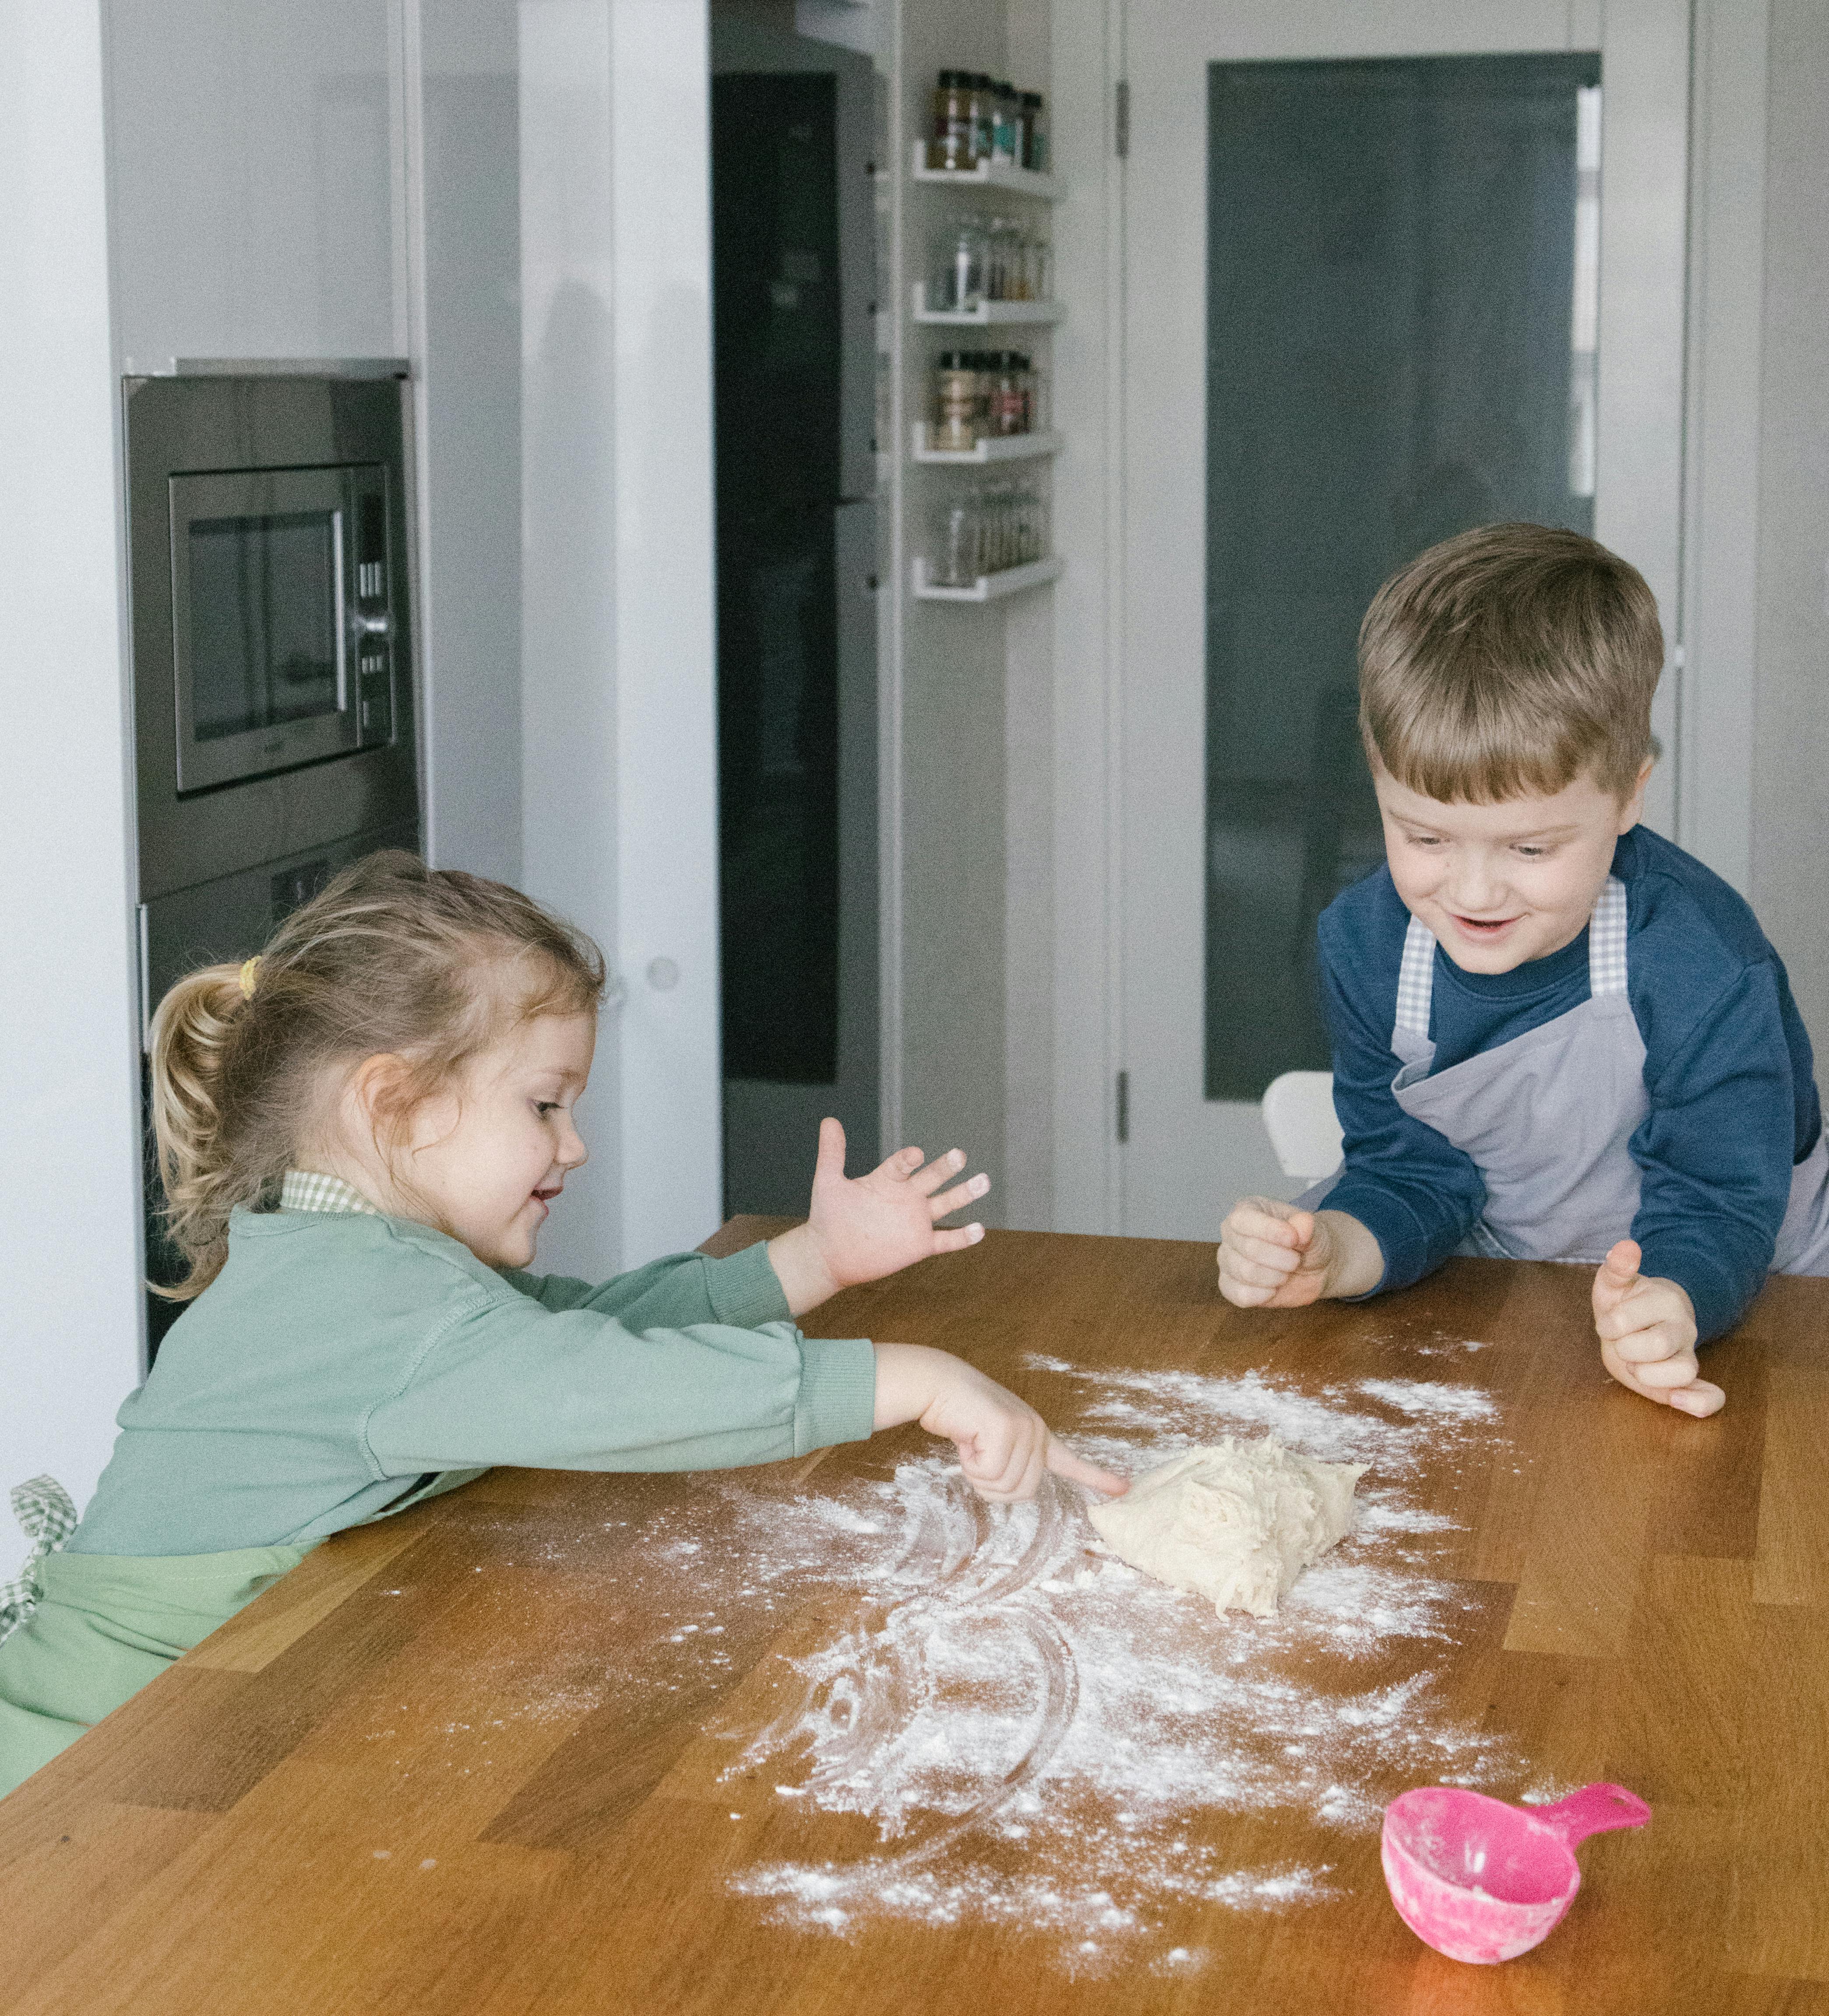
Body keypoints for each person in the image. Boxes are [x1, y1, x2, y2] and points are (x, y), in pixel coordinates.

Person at [0, 853, 1123, 1798]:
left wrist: (812, 1260)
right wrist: (910, 1379)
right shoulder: (373, 1304)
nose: (572, 1146)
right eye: (545, 1104)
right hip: (80, 1773)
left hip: (169, 1734)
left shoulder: (369, 1268)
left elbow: (584, 1337)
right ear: (393, 1102)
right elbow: (604, 1387)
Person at [1218, 523, 1829, 1417]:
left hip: (1746, 1292)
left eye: (1530, 846)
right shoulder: (1365, 945)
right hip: (1507, 1301)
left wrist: (1673, 1301)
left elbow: (1719, 1196)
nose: (1471, 889)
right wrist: (1337, 1250)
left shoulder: (1702, 959)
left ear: (1628, 795)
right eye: (1423, 836)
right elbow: (1409, 1172)